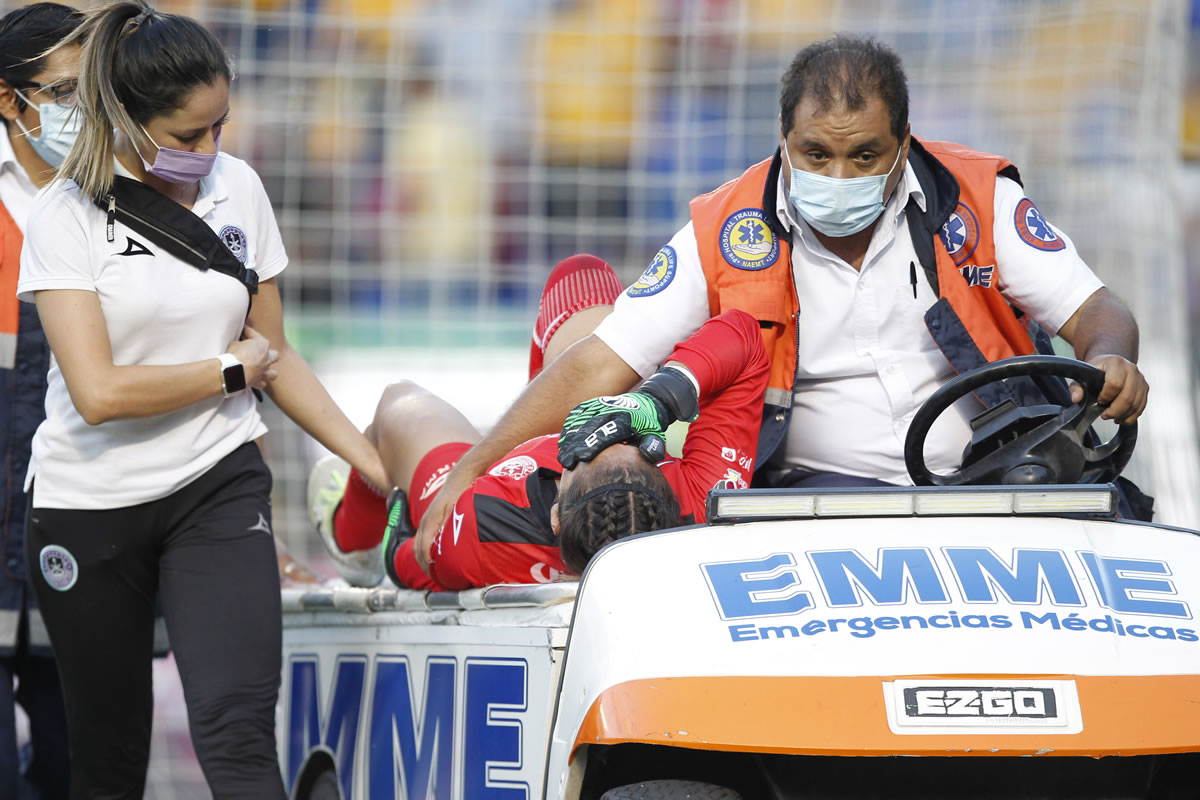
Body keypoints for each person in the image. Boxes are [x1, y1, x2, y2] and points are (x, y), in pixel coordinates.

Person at [413, 34, 1152, 565]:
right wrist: (474, 466)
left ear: (903, 145)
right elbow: (601, 363)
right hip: (807, 511)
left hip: (996, 487)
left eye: (864, 156)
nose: (838, 173)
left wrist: (1112, 357)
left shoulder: (981, 198)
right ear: (783, 139)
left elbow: (1096, 312)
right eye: (816, 154)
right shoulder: (722, 229)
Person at [16, 2, 387, 797]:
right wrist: (229, 370)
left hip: (216, 485)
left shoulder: (239, 188)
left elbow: (276, 356)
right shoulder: (62, 218)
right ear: (123, 117)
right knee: (109, 768)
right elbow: (99, 393)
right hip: (90, 507)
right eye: (188, 136)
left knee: (239, 732)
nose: (210, 150)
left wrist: (372, 462)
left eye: (220, 125)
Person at [308, 255, 768, 589]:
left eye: (586, 449)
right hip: (548, 536)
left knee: (398, 404)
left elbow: (415, 555)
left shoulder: (483, 520)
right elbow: (744, 336)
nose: (599, 433)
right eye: (625, 437)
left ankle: (350, 538)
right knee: (585, 282)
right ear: (665, 479)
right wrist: (655, 400)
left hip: (496, 499)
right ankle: (569, 397)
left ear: (554, 512)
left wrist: (396, 531)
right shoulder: (702, 503)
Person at [0, 5, 81, 797]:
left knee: (76, 767)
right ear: (7, 99)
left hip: (79, 527)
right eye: (62, 92)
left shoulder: (127, 197)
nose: (79, 112)